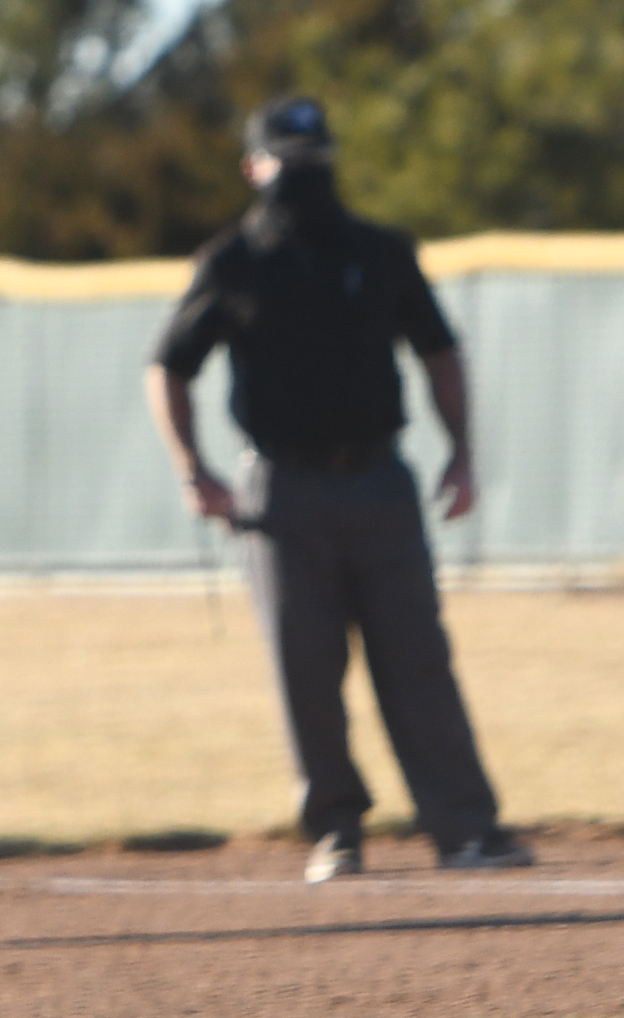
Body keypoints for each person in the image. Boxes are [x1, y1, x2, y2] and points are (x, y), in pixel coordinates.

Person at [144, 96, 534, 884]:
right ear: (253, 168)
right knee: (306, 670)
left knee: (420, 662)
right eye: (285, 162)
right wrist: (193, 467)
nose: (299, 177)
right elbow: (170, 365)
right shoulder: (235, 261)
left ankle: (465, 829)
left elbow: (438, 350)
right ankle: (336, 832)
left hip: (382, 480)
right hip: (281, 489)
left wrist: (461, 453)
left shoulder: (382, 251)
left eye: (311, 160)